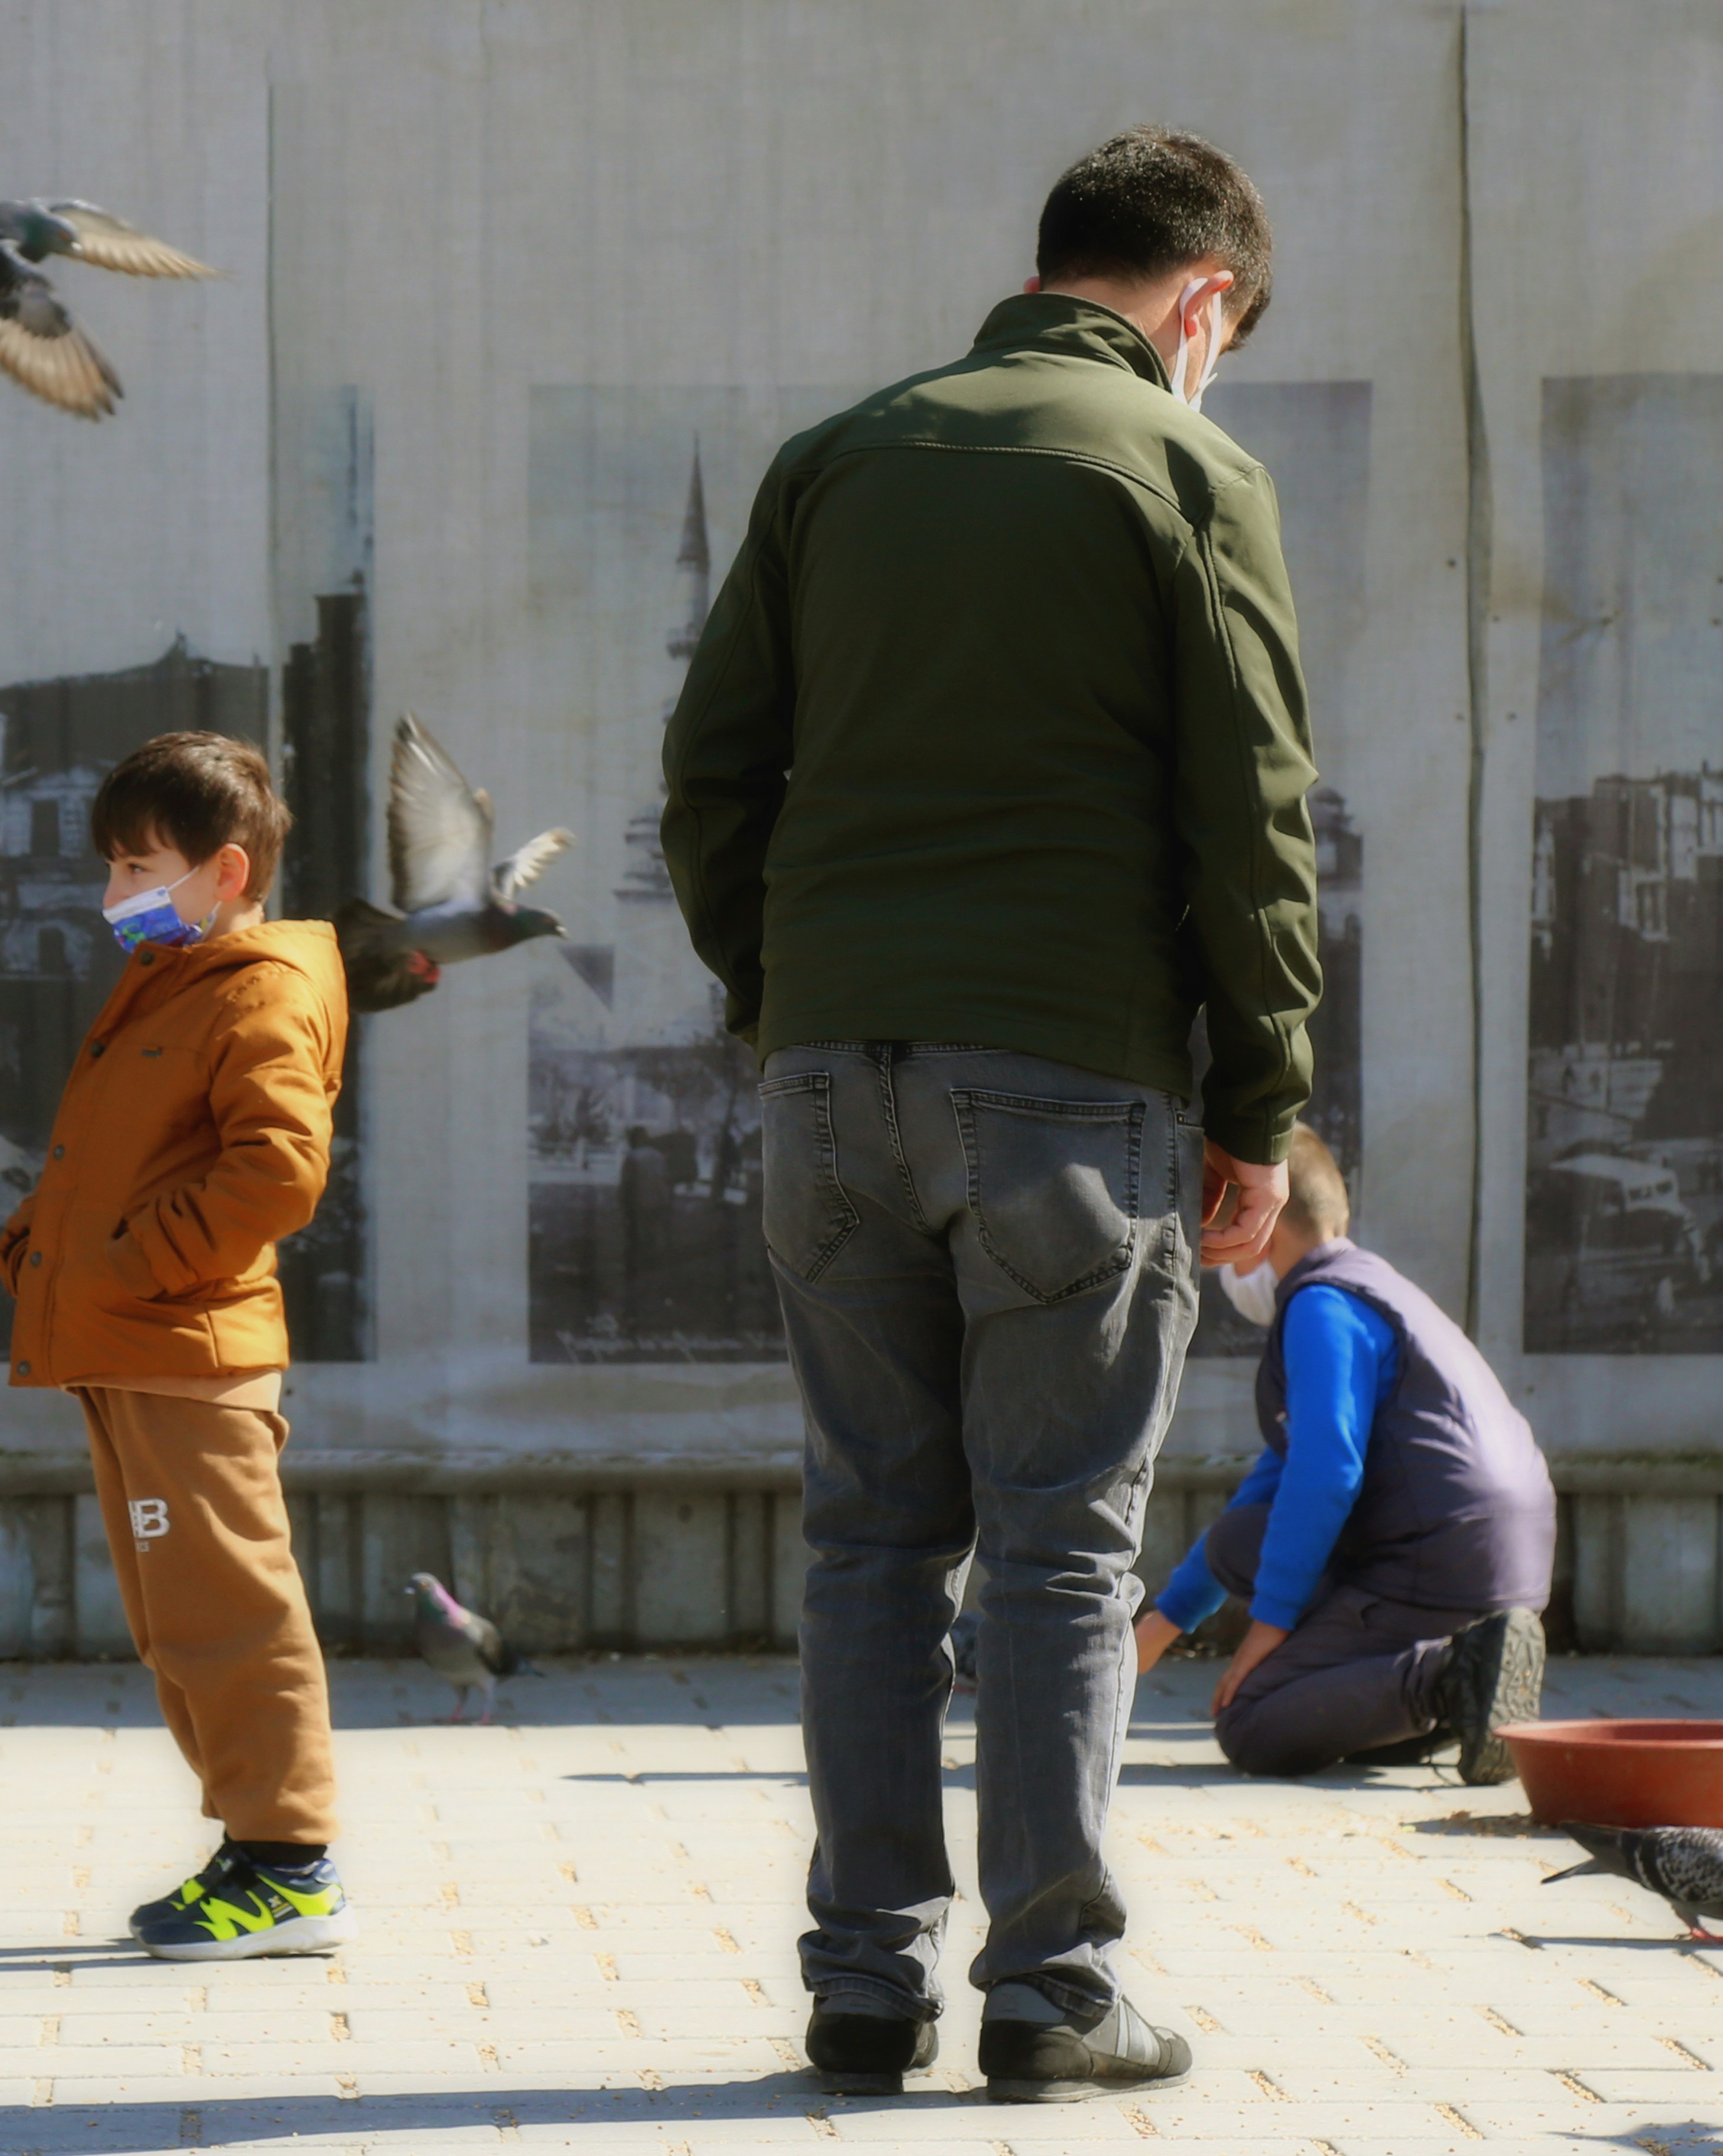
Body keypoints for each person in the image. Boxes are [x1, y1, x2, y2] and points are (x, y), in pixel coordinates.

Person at [662, 127, 1318, 2103]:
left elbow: (710, 779)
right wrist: (1261, 1100)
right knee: (1054, 1551)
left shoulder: (839, 456)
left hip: (831, 1081)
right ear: (1201, 303)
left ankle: (863, 1981)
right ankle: (1052, 1988)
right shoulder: (1188, 466)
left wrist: (786, 1003)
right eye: (1227, 338)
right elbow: (1251, 818)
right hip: (1067, 1080)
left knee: (869, 1535)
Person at [0, 732, 355, 1962]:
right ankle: (257, 1851)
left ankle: (290, 1864)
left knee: (228, 1613)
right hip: (135, 1341)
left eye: (138, 865)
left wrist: (132, 1266)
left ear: (228, 869)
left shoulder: (256, 989)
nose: (115, 897)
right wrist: (42, 1245)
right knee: (177, 1618)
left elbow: (279, 1171)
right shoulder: (182, 979)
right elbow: (131, 1158)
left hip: (184, 1349)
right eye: (110, 868)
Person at [1138, 1132, 1553, 1781]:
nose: (1219, 1264)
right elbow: (1275, 1484)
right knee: (1237, 1540)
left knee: (1250, 1722)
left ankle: (1450, 1680)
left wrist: (1268, 1627)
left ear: (1260, 1227)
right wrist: (1162, 1625)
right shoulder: (1380, 1292)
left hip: (1434, 1563)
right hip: (1504, 1569)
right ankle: (1464, 1692)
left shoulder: (1321, 1306)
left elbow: (1327, 1471)